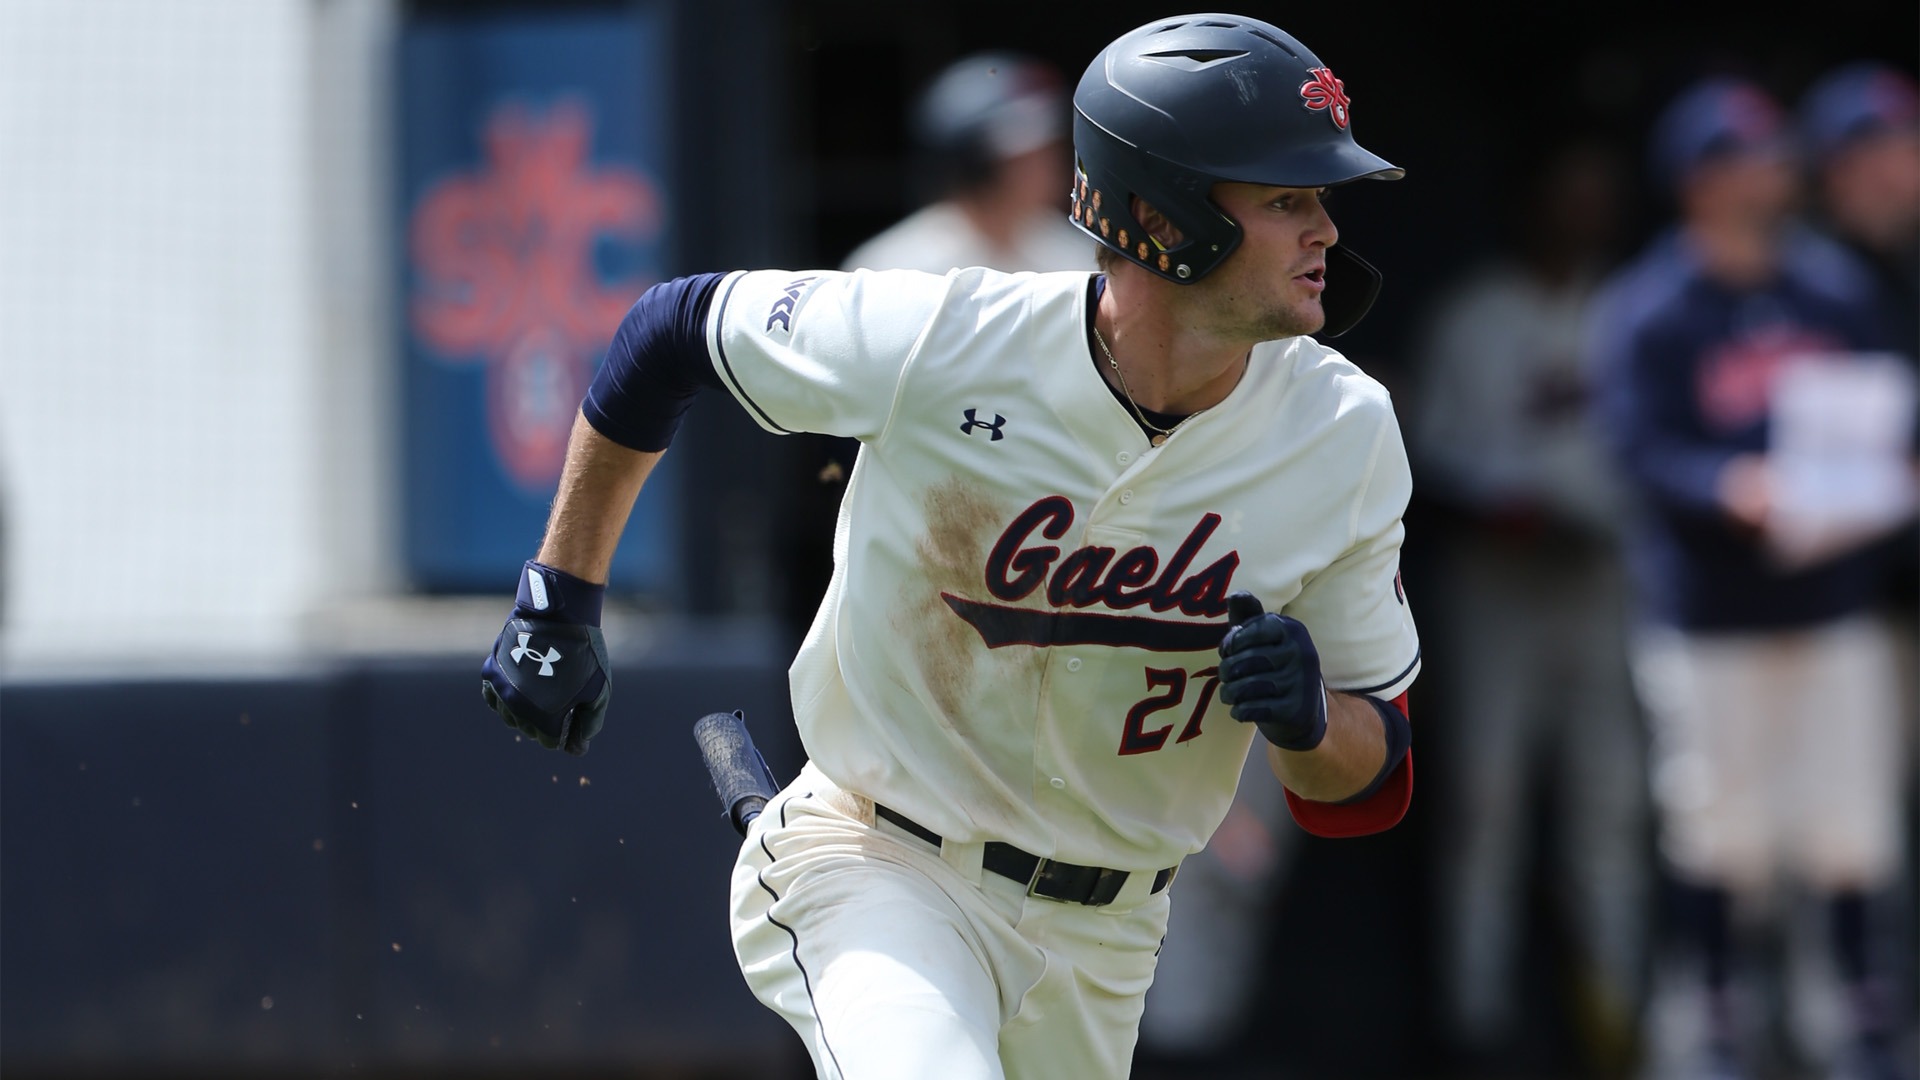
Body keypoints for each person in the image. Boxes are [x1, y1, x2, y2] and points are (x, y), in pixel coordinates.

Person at [477, 14, 1421, 1079]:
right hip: (880, 861)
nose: (1326, 233)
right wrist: (558, 595)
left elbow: (1369, 775)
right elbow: (671, 331)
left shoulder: (1345, 433)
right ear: (1166, 216)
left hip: (1107, 932)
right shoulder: (953, 331)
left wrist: (1308, 719)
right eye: (1286, 199)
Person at [1588, 76, 1912, 1080]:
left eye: (1776, 158)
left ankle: (1863, 1018)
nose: (1775, 175)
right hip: (1711, 614)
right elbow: (1636, 451)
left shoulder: (1832, 289)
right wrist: (1726, 482)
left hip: (1830, 601)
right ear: (1700, 183)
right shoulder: (1652, 306)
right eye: (1751, 160)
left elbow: (1887, 400)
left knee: (1850, 823)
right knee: (1717, 828)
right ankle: (1717, 1016)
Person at [1409, 137, 1648, 1077]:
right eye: (1567, 192)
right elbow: (1424, 468)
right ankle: (1477, 1029)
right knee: (1483, 807)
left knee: (1612, 810)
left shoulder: (1631, 307)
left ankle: (1615, 1025)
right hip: (1495, 586)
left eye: (1598, 194)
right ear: (1528, 202)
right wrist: (1507, 512)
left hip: (1607, 584)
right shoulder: (1473, 315)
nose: (1584, 211)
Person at [839, 51, 1093, 275]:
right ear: (975, 165)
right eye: (1025, 156)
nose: (1051, 165)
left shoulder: (1075, 260)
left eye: (1050, 149)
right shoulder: (892, 268)